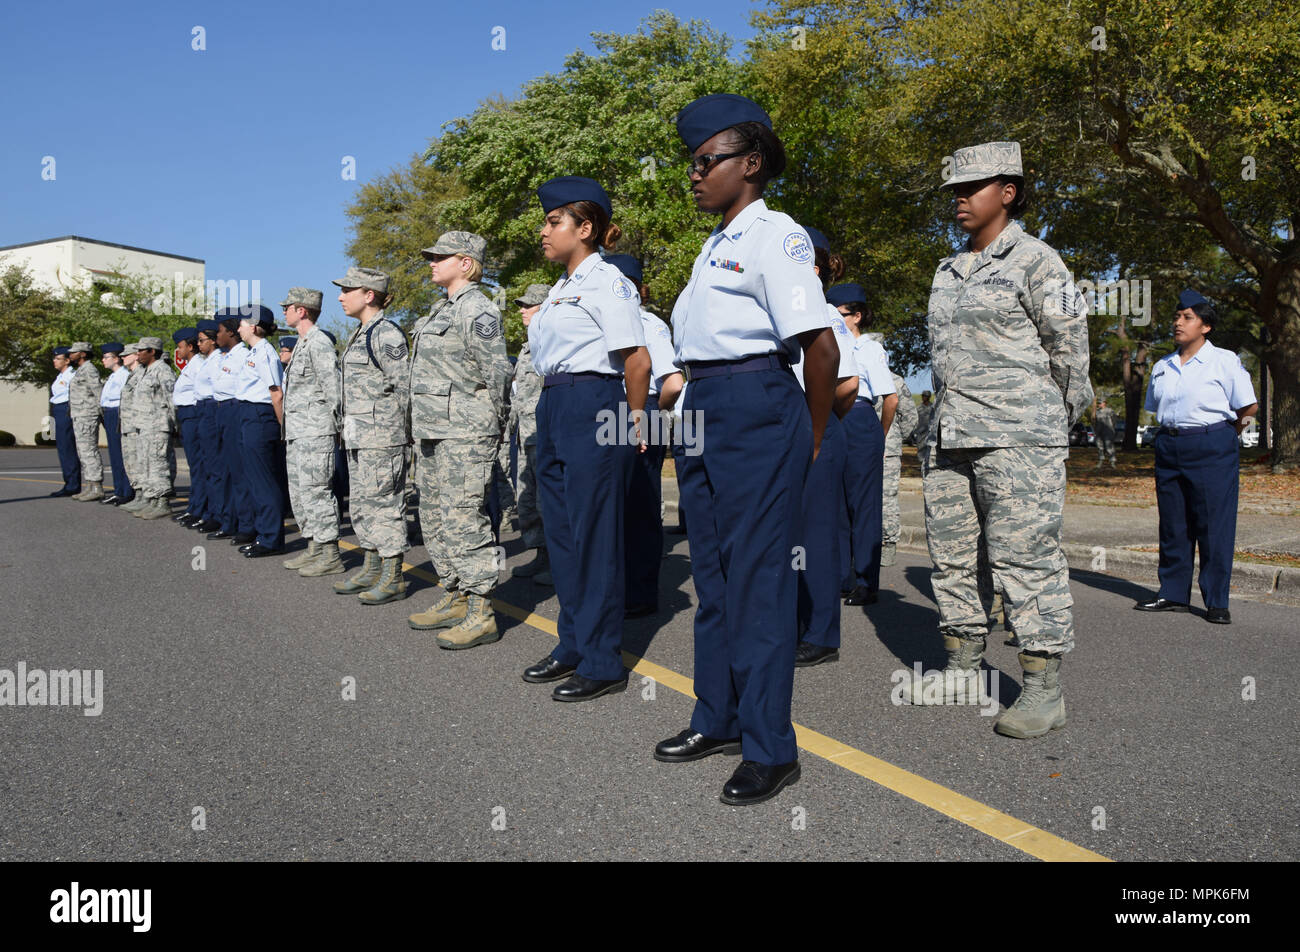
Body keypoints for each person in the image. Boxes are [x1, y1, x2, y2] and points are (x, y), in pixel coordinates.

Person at [652, 94, 838, 806]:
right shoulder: (715, 243)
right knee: (715, 580)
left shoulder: (776, 236)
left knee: (760, 584)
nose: (694, 175)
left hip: (757, 402)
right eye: (691, 163)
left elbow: (818, 347)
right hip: (705, 404)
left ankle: (770, 748)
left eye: (706, 161)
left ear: (749, 164)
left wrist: (814, 435)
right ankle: (718, 717)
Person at [901, 141, 1092, 741]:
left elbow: (1072, 354)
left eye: (971, 189)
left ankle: (1042, 687)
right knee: (954, 556)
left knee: (1024, 556)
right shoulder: (948, 268)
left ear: (1007, 193)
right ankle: (962, 666)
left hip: (1018, 439)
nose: (959, 200)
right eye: (954, 191)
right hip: (952, 433)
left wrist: (1045, 425)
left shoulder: (1041, 262)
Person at [519, 175, 650, 701]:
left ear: (586, 227)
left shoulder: (607, 282)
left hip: (596, 403)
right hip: (555, 404)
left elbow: (636, 359)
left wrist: (636, 419)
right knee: (564, 535)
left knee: (595, 537)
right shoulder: (561, 288)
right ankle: (571, 643)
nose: (544, 232)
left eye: (554, 222)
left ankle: (602, 660)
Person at [406, 232, 512, 647]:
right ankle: (455, 592)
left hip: (466, 432)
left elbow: (497, 373)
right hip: (433, 431)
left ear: (465, 263)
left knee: (463, 516)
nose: (432, 262)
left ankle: (481, 610)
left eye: (440, 257)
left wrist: (491, 425)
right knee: (434, 516)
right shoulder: (439, 311)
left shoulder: (479, 310)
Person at [1134, 289, 1257, 625]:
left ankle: (1216, 600)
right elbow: (1157, 409)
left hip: (1212, 444)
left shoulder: (1224, 361)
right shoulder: (1163, 366)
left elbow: (1248, 407)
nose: (1178, 322)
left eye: (1187, 317)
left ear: (1205, 326)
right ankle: (1172, 593)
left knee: (1213, 526)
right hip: (1170, 445)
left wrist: (1229, 438)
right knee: (1173, 524)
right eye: (1177, 316)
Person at [790, 232, 859, 668]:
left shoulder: (824, 314)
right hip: (791, 423)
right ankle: (797, 623)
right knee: (791, 534)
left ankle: (821, 635)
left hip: (816, 422)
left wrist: (818, 421)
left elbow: (847, 384)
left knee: (815, 534)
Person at [605, 253, 683, 619]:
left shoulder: (648, 323)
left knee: (640, 504)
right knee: (614, 504)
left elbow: (672, 380)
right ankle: (619, 585)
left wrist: (656, 413)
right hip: (613, 410)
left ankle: (640, 593)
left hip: (642, 408)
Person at [332, 266, 412, 604]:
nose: (340, 296)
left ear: (369, 295)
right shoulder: (360, 332)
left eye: (347, 290)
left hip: (382, 437)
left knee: (385, 506)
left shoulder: (385, 333)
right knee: (363, 505)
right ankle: (371, 566)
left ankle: (393, 576)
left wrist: (402, 433)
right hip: (359, 436)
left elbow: (405, 386)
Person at [831, 284, 897, 605]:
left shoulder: (869, 349)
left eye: (840, 314)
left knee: (864, 507)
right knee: (838, 505)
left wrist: (878, 437)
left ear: (856, 316)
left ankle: (867, 582)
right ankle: (843, 578)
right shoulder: (830, 347)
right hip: (835, 417)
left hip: (860, 418)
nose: (834, 320)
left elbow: (891, 399)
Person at [279, 288, 346, 577]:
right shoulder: (303, 344)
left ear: (302, 311)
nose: (284, 311)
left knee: (317, 491)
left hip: (316, 431)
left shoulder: (318, 343)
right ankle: (313, 548)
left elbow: (333, 389)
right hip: (298, 432)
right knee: (300, 492)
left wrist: (339, 428)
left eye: (288, 307)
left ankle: (330, 553)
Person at [234, 306, 287, 557]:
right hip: (248, 414)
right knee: (254, 479)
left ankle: (271, 539)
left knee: (264, 481)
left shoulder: (265, 353)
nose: (238, 329)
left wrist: (282, 427)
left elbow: (276, 393)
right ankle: (262, 533)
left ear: (254, 326)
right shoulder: (253, 351)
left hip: (260, 415)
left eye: (242, 324)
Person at [508, 284, 552, 584]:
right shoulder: (527, 346)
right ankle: (540, 554)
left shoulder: (550, 342)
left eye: (529, 305)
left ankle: (558, 562)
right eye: (521, 305)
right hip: (525, 436)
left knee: (547, 502)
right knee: (526, 502)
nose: (522, 309)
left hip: (544, 435)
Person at [207, 313, 255, 544]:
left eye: (220, 331)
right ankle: (229, 521)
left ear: (232, 333)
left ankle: (246, 525)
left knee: (238, 472)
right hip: (221, 409)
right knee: (224, 469)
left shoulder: (243, 356)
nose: (217, 335)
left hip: (235, 409)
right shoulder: (225, 356)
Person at [131, 336, 178, 520]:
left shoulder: (163, 370)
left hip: (158, 425)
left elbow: (171, 399)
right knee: (147, 464)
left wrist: (175, 425)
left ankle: (163, 501)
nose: (138, 354)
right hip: (144, 425)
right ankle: (152, 499)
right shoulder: (144, 371)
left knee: (159, 464)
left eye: (142, 350)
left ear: (152, 351)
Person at [875, 369, 917, 566]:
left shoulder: (893, 380)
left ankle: (888, 544)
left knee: (885, 497)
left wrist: (894, 436)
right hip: (859, 442)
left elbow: (910, 416)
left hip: (887, 447)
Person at [169, 327, 207, 526]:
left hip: (193, 414)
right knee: (194, 465)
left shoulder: (199, 365)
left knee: (198, 465)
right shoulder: (190, 366)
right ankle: (195, 506)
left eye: (180, 346)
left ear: (190, 347)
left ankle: (199, 508)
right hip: (186, 415)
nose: (178, 351)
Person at [190, 319, 224, 533]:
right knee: (206, 465)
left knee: (215, 466)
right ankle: (210, 511)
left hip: (212, 409)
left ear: (212, 341)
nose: (198, 344)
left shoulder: (218, 360)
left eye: (202, 340)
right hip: (203, 409)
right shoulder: (207, 360)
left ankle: (217, 514)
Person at [66, 343, 105, 501]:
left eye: (73, 353)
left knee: (89, 450)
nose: (70, 355)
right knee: (83, 451)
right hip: (80, 415)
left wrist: (101, 414)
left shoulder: (89, 369)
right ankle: (90, 485)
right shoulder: (81, 370)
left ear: (82, 354)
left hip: (87, 415)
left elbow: (98, 392)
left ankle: (96, 486)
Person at [97, 343, 133, 506]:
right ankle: (119, 490)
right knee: (114, 453)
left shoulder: (123, 375)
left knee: (121, 453)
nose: (103, 360)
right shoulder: (113, 376)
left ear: (116, 358)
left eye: (106, 357)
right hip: (109, 412)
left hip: (118, 412)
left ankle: (127, 491)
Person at [48, 346, 81, 498]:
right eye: (54, 358)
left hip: (66, 410)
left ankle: (73, 485)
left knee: (68, 448)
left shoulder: (71, 376)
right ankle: (69, 482)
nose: (54, 361)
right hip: (58, 410)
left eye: (58, 358)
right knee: (62, 448)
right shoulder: (61, 376)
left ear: (67, 361)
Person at [117, 344, 146, 512]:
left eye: (126, 355)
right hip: (128, 424)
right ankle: (138, 494)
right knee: (131, 462)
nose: (122, 358)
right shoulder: (132, 375)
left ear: (135, 355)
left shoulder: (141, 374)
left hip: (136, 424)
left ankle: (143, 495)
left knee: (139, 462)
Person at [1093, 399, 1117, 468]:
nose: (1099, 404)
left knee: (1109, 446)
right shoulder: (1097, 412)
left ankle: (1112, 462)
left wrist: (1111, 429)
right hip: (1099, 432)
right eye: (1098, 403)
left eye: (1101, 403)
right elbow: (1095, 422)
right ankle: (1101, 461)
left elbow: (1114, 420)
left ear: (1104, 403)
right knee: (1099, 446)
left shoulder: (1110, 411)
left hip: (1108, 431)